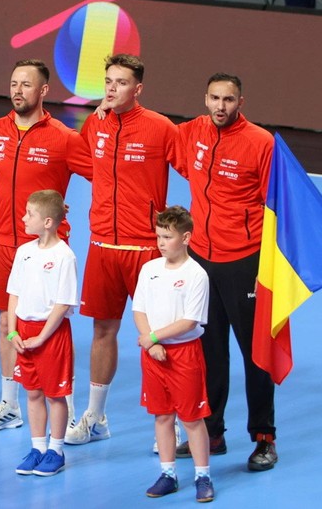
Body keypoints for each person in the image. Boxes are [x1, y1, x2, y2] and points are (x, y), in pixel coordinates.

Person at [0, 61, 90, 433]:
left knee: (51, 324)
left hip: (47, 249)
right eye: (13, 83)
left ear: (43, 92)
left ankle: (63, 407)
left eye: (26, 84)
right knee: (8, 322)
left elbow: (104, 175)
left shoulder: (64, 138)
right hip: (6, 243)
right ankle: (9, 404)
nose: (17, 90)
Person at [66, 53, 178, 446]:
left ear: (138, 88)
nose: (112, 89)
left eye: (121, 82)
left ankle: (169, 421)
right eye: (108, 81)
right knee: (102, 330)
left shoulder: (160, 128)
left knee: (158, 336)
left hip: (145, 248)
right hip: (102, 245)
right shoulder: (95, 125)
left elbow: (199, 170)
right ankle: (95, 417)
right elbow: (75, 161)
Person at [172, 74, 279, 471]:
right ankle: (211, 433)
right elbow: (151, 135)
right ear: (205, 99)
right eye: (215, 98)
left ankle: (264, 438)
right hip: (200, 259)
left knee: (256, 355)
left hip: (245, 262)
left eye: (228, 99)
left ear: (240, 101)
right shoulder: (192, 132)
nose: (220, 106)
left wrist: (265, 266)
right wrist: (107, 112)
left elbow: (276, 206)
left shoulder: (260, 141)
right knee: (207, 351)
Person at [133, 207, 216, 502]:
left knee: (192, 418)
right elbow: (139, 309)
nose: (161, 242)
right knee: (162, 416)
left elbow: (189, 321)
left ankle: (202, 476)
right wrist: (150, 344)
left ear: (186, 238)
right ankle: (168, 474)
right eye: (158, 236)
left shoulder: (197, 275)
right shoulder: (149, 269)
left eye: (167, 237)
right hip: (153, 354)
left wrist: (153, 337)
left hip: (184, 355)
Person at [6, 189, 78, 478]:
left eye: (30, 214)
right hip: (24, 333)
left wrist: (43, 337)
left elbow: (62, 304)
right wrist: (12, 333)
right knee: (33, 392)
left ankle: (56, 450)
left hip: (51, 334)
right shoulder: (24, 253)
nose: (24, 218)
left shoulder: (64, 256)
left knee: (55, 395)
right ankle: (37, 447)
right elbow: (13, 294)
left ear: (48, 221)